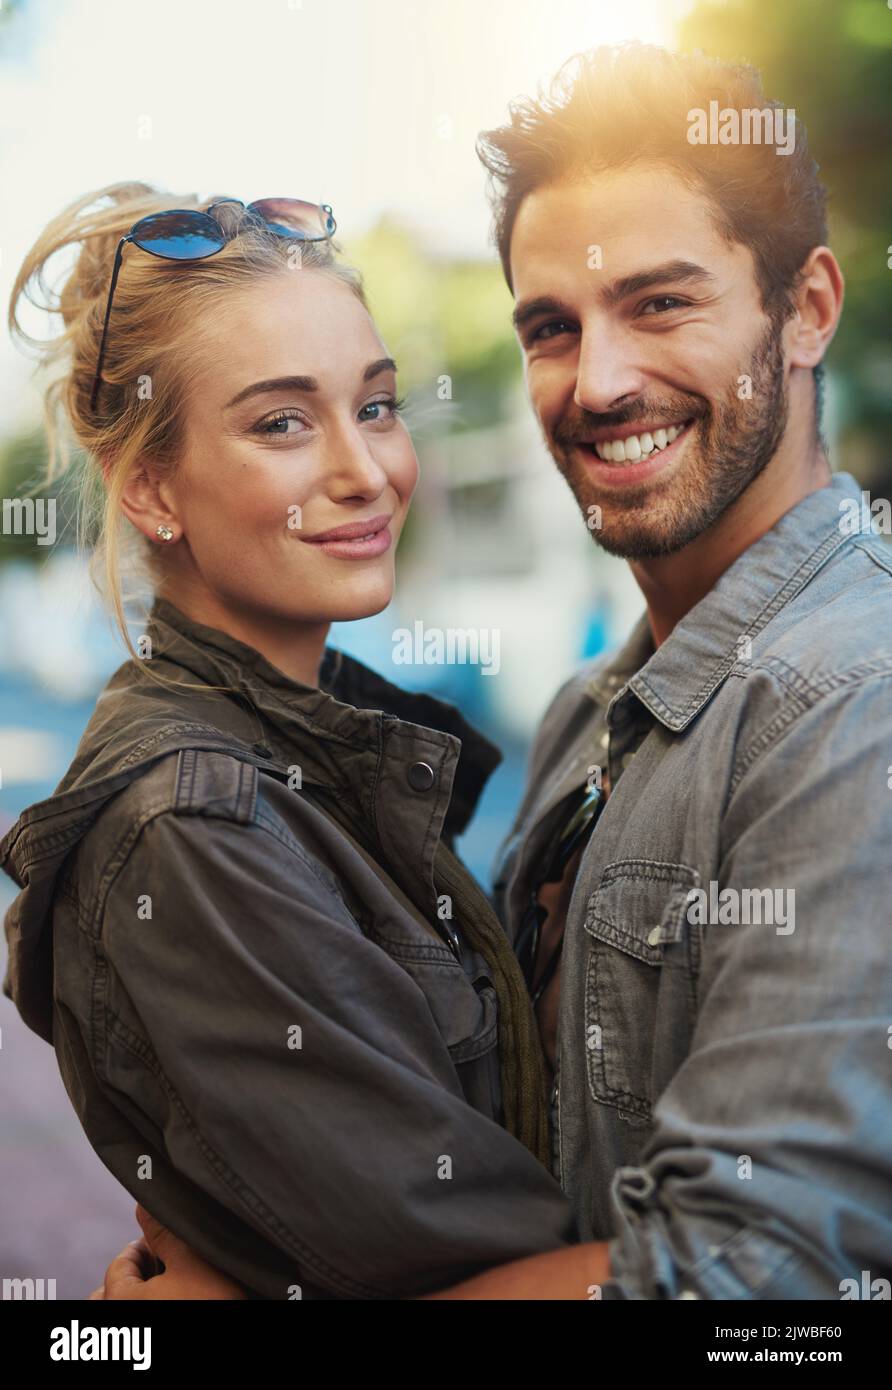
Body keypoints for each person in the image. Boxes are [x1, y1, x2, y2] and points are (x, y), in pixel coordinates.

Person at [92, 42, 892, 1301]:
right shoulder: (593, 715)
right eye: (551, 327)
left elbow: (752, 1283)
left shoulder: (857, 704)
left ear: (805, 308)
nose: (602, 379)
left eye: (662, 301)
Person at [1, 181, 603, 1300]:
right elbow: (489, 1268)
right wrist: (782, 1247)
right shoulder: (195, 821)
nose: (364, 471)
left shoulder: (316, 744)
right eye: (281, 421)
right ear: (152, 489)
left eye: (374, 407)